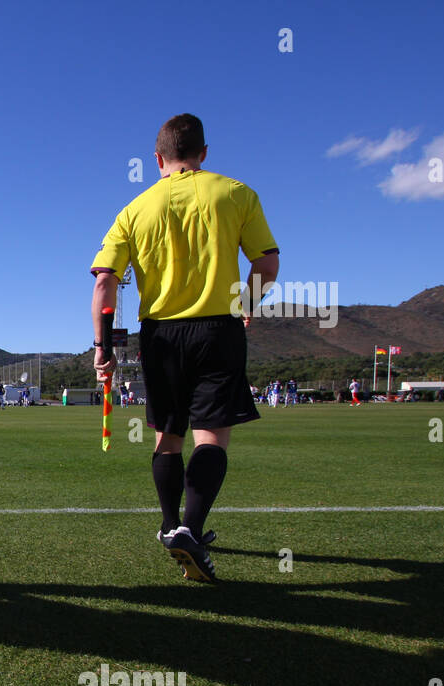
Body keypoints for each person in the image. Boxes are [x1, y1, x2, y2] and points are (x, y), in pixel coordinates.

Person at [90, 113, 278, 582]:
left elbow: (105, 283)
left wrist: (101, 347)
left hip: (160, 334)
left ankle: (172, 525)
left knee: (168, 437)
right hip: (219, 327)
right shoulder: (236, 193)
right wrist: (246, 300)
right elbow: (266, 263)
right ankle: (189, 530)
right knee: (211, 435)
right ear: (204, 153)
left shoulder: (135, 208)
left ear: (158, 158)